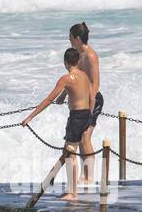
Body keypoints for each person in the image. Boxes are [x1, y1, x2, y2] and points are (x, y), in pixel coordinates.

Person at [22, 48, 93, 201]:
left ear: (65, 62)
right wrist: (89, 116)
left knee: (70, 154)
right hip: (86, 114)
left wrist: (30, 117)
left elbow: (49, 99)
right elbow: (85, 96)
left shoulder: (66, 79)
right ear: (78, 61)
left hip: (76, 117)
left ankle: (72, 193)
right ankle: (71, 190)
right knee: (70, 153)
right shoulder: (84, 76)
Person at [68, 22, 102, 182]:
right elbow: (75, 78)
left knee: (86, 136)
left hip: (93, 99)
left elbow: (95, 82)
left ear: (78, 38)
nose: (69, 40)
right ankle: (84, 174)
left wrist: (91, 105)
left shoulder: (90, 55)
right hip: (82, 101)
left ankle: (89, 176)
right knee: (81, 137)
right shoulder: (77, 54)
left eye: (71, 37)